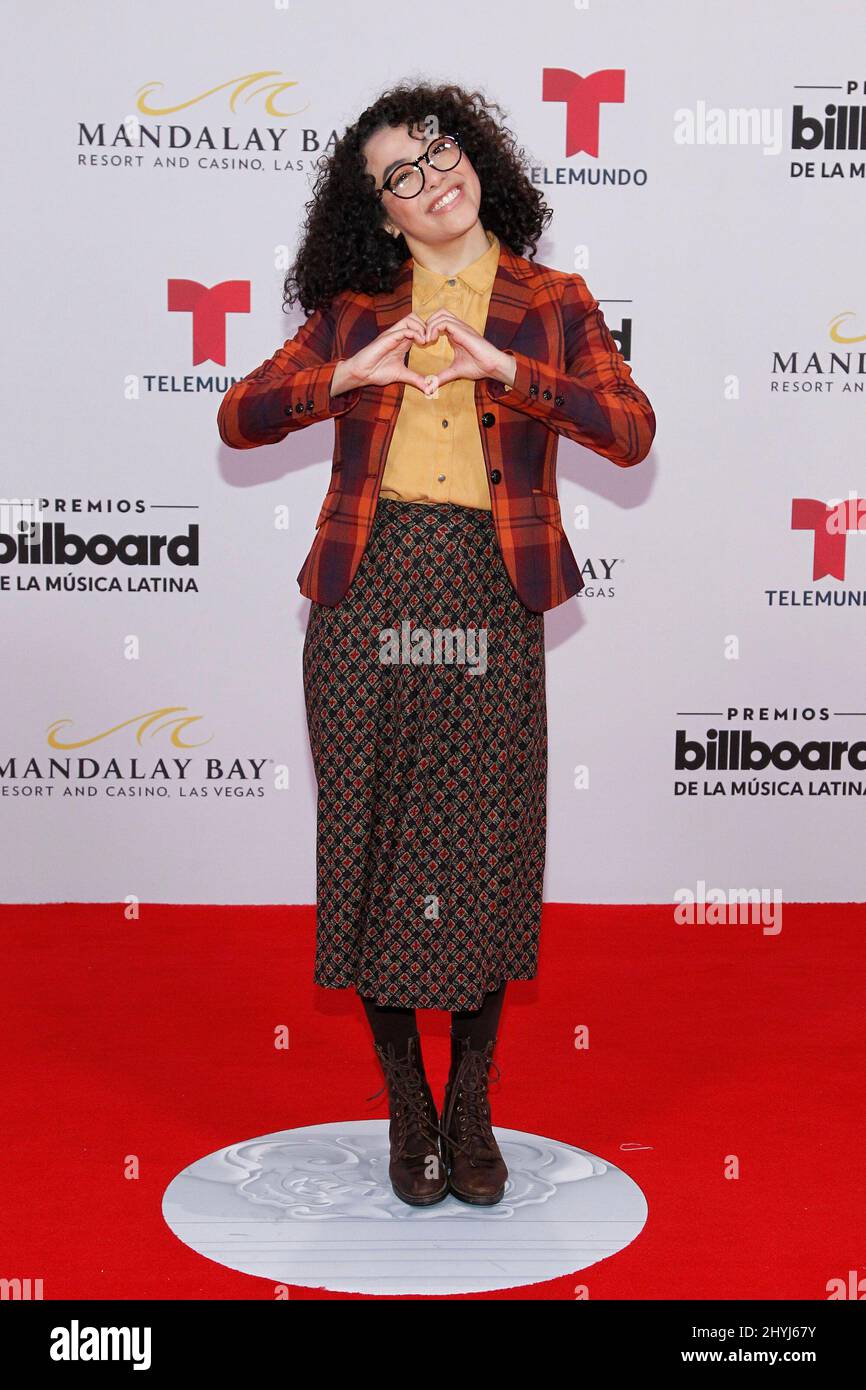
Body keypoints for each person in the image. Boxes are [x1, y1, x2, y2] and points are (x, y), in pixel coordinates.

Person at [217, 81, 656, 1208]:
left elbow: (630, 427)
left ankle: (470, 1106)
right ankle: (405, 1106)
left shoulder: (550, 298)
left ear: (476, 158)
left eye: (436, 153)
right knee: (368, 849)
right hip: (365, 595)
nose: (428, 181)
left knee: (481, 856)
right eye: (397, 178)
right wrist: (342, 377)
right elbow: (239, 415)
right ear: (380, 212)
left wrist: (505, 369)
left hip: (485, 594)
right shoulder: (358, 305)